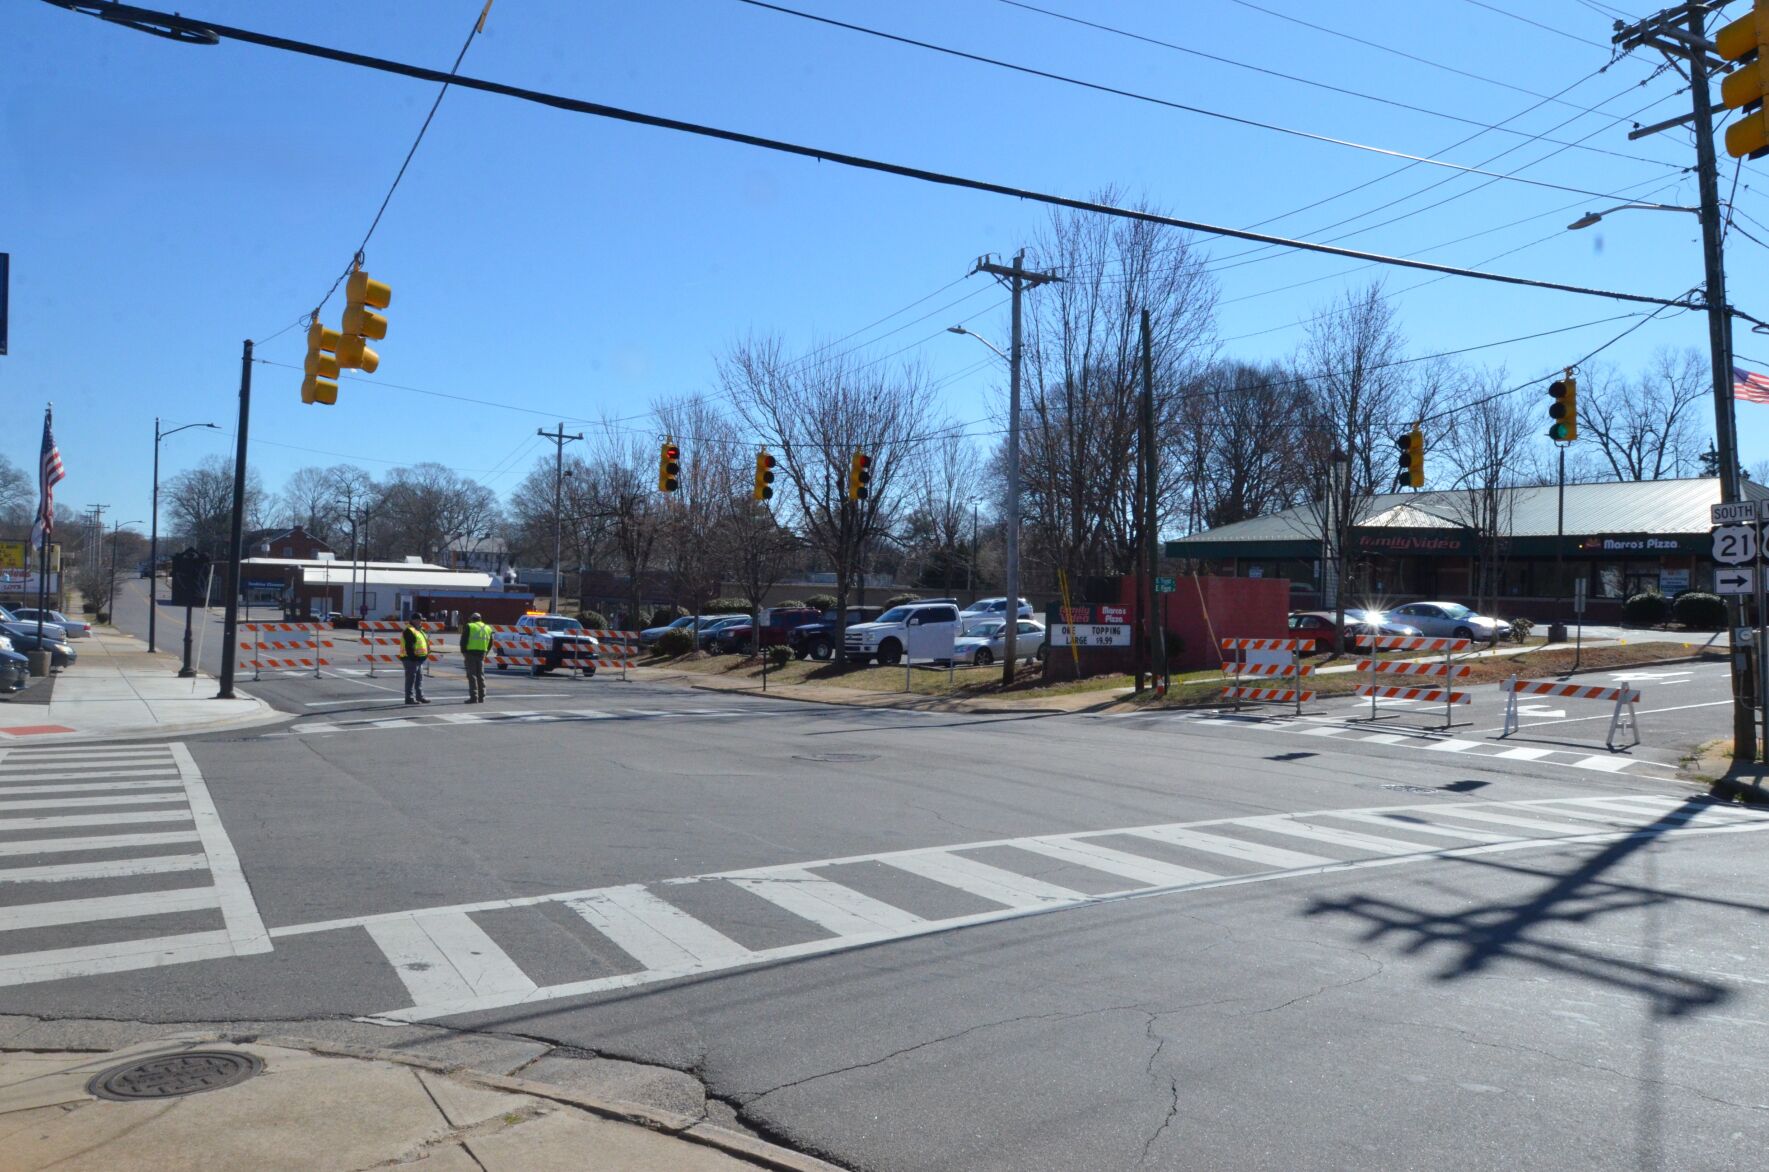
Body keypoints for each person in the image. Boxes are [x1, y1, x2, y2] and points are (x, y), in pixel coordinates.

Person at [462, 611, 494, 704]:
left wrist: (464, 652)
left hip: (470, 654)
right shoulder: (488, 628)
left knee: (472, 676)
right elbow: (491, 642)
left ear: (472, 619)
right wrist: (486, 652)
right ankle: (481, 697)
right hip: (481, 654)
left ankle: (474, 697)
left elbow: (463, 641)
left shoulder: (470, 626)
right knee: (480, 676)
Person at [400, 614, 431, 705]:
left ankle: (419, 696)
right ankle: (409, 698)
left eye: (421, 620)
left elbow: (424, 643)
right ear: (414, 620)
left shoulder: (420, 630)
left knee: (419, 678)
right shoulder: (409, 630)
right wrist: (413, 657)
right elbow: (409, 647)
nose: (420, 621)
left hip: (419, 659)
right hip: (411, 659)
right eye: (419, 620)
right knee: (411, 679)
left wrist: (426, 654)